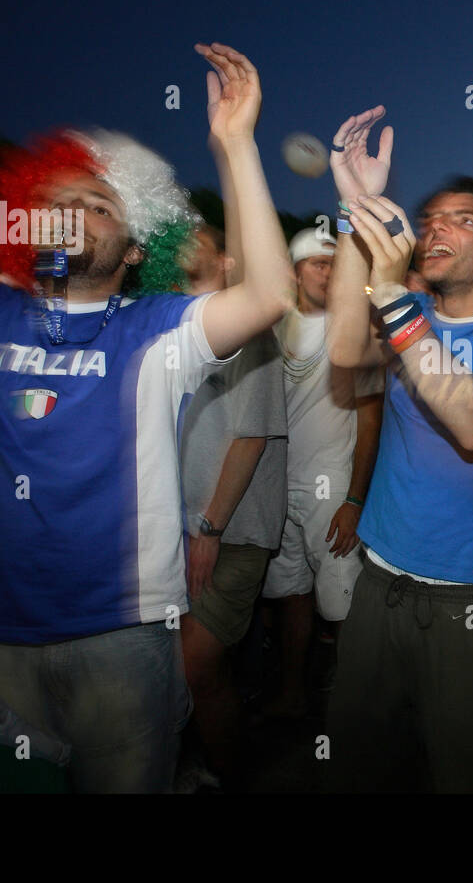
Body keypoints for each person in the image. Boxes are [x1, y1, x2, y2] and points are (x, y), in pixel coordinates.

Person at [0, 0, 295, 791]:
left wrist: (235, 143)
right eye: (57, 202)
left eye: (98, 203)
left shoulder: (158, 329)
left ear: (136, 246)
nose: (75, 210)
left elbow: (268, 296)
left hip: (123, 636)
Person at [323, 107, 473, 791]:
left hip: (467, 607)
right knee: (358, 766)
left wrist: (394, 298)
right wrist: (353, 212)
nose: (436, 228)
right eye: (430, 219)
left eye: (465, 220)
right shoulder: (411, 317)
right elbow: (343, 349)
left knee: (467, 772)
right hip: (377, 588)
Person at [178, 223, 287, 788]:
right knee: (179, 665)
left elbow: (251, 438)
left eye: (197, 233)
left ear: (225, 261)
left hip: (230, 531)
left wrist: (208, 526)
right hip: (179, 528)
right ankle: (195, 763)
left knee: (196, 665)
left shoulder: (251, 334)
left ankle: (232, 775)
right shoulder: (176, 329)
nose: (182, 237)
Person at [262, 228, 382, 718]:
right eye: (317, 263)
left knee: (342, 605)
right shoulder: (270, 328)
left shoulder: (357, 332)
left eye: (336, 265)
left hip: (330, 487)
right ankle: (293, 692)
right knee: (290, 595)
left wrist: (354, 500)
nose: (328, 273)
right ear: (295, 271)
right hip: (272, 486)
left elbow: (371, 418)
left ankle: (358, 707)